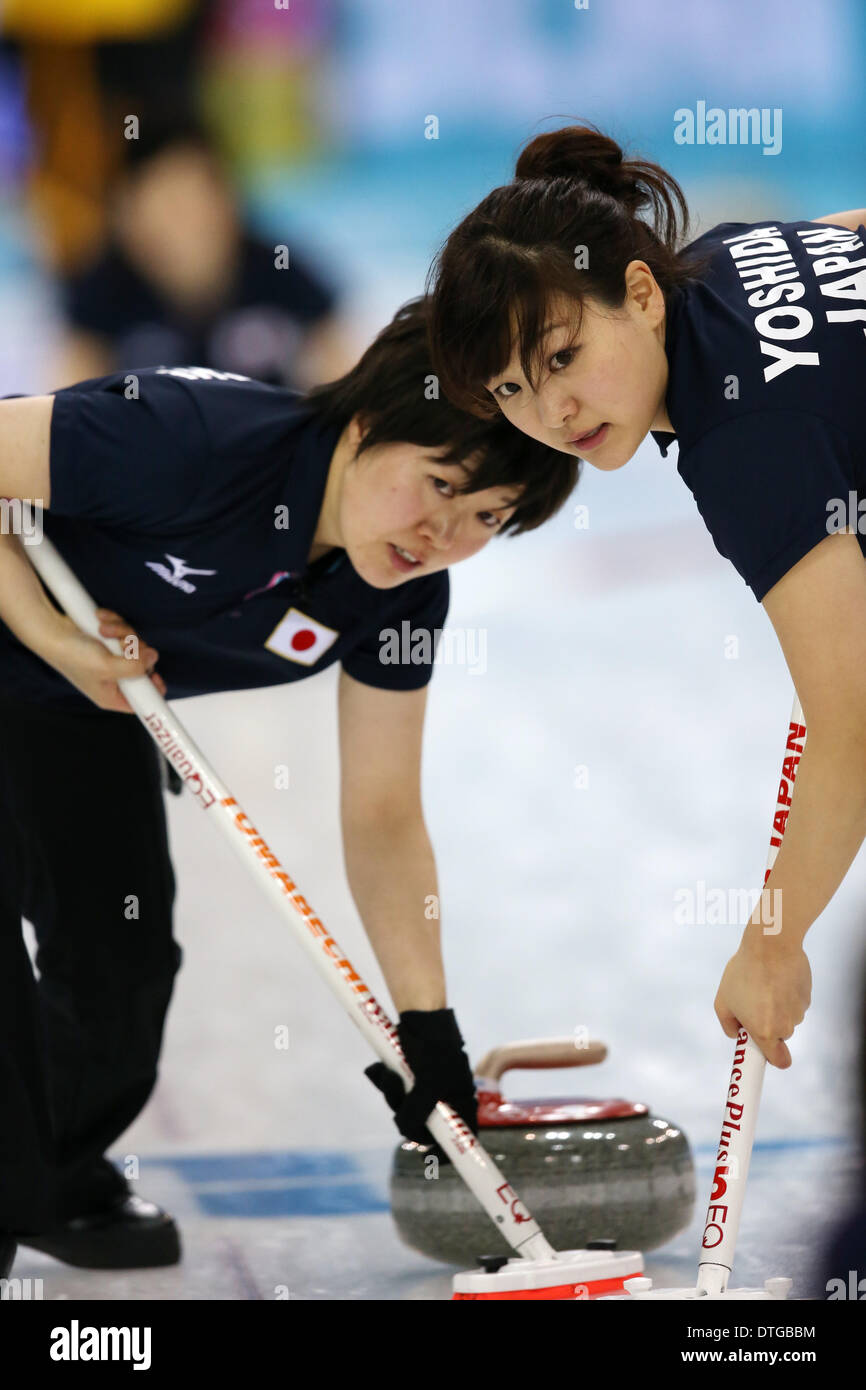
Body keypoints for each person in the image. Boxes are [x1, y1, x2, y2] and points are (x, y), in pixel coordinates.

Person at [0, 295, 577, 1278]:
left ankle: (39, 1174)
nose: (443, 532)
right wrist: (55, 633)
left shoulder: (397, 592)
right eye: (438, 483)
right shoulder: (186, 440)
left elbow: (384, 812)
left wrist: (426, 1030)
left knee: (122, 974)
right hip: (37, 643)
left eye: (486, 517)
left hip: (65, 704)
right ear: (365, 421)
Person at [425, 121, 866, 1075]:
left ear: (637, 295)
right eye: (511, 388)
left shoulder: (747, 449)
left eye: (561, 358)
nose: (552, 413)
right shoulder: (718, 262)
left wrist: (770, 943)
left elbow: (856, 731)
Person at [55, 117, 355, 391]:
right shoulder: (98, 293)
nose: (189, 222)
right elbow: (69, 409)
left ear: (229, 200)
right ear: (126, 214)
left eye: (197, 197)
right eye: (171, 205)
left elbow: (345, 383)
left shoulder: (281, 270)